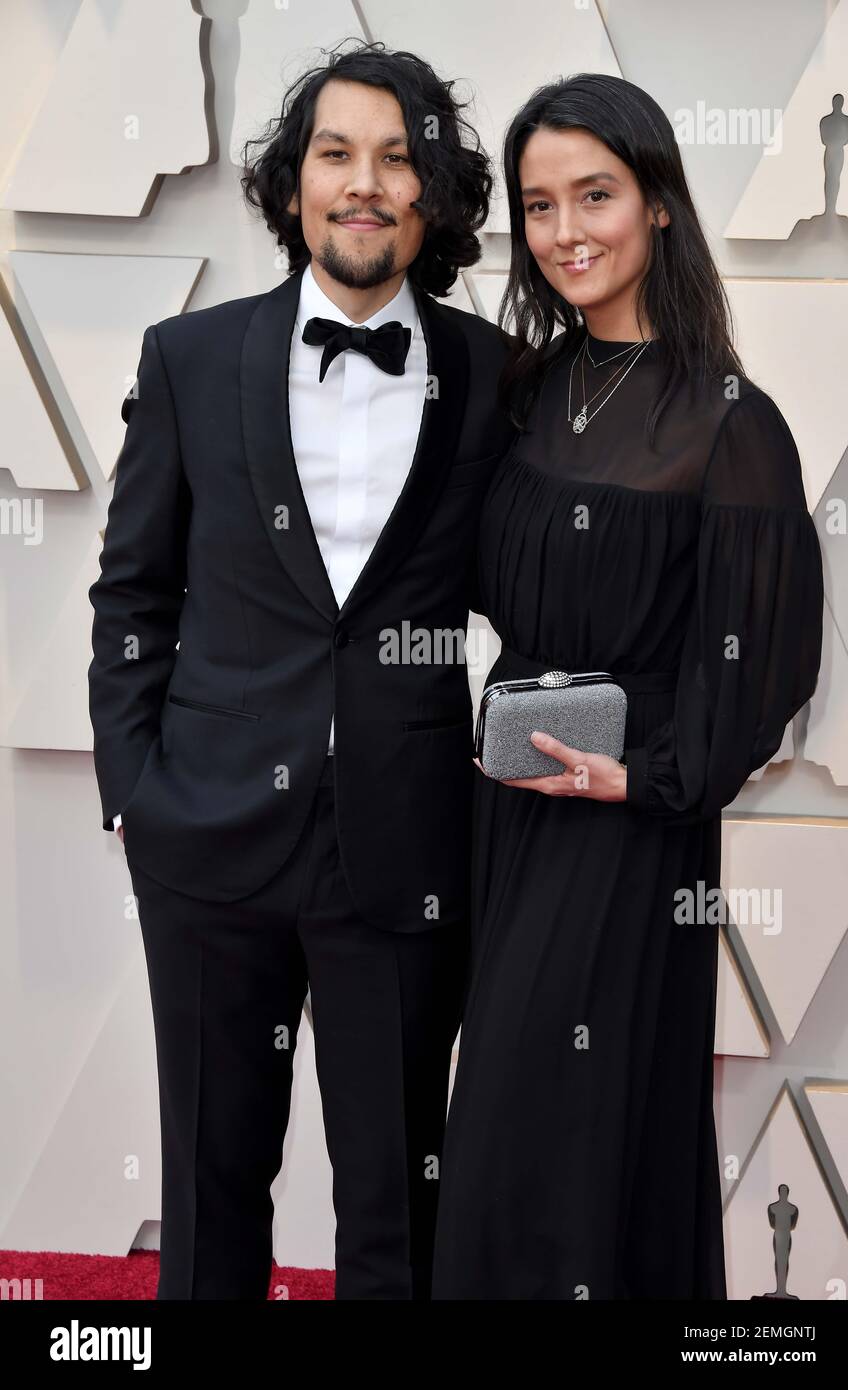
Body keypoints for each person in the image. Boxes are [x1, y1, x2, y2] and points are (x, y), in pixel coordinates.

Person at [87, 39, 513, 1300]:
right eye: (336, 154)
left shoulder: (494, 377)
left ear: (429, 199)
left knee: (398, 1209)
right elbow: (131, 591)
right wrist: (136, 787)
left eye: (397, 158)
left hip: (405, 847)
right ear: (291, 188)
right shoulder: (190, 358)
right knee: (210, 1199)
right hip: (206, 835)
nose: (364, 182)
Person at [431, 72, 824, 1300]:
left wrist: (648, 774)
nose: (564, 234)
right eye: (538, 207)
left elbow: (762, 661)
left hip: (630, 827)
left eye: (592, 195)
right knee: (514, 1122)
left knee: (550, 1121)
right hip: (509, 805)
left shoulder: (728, 421)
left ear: (657, 201)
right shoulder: (524, 392)